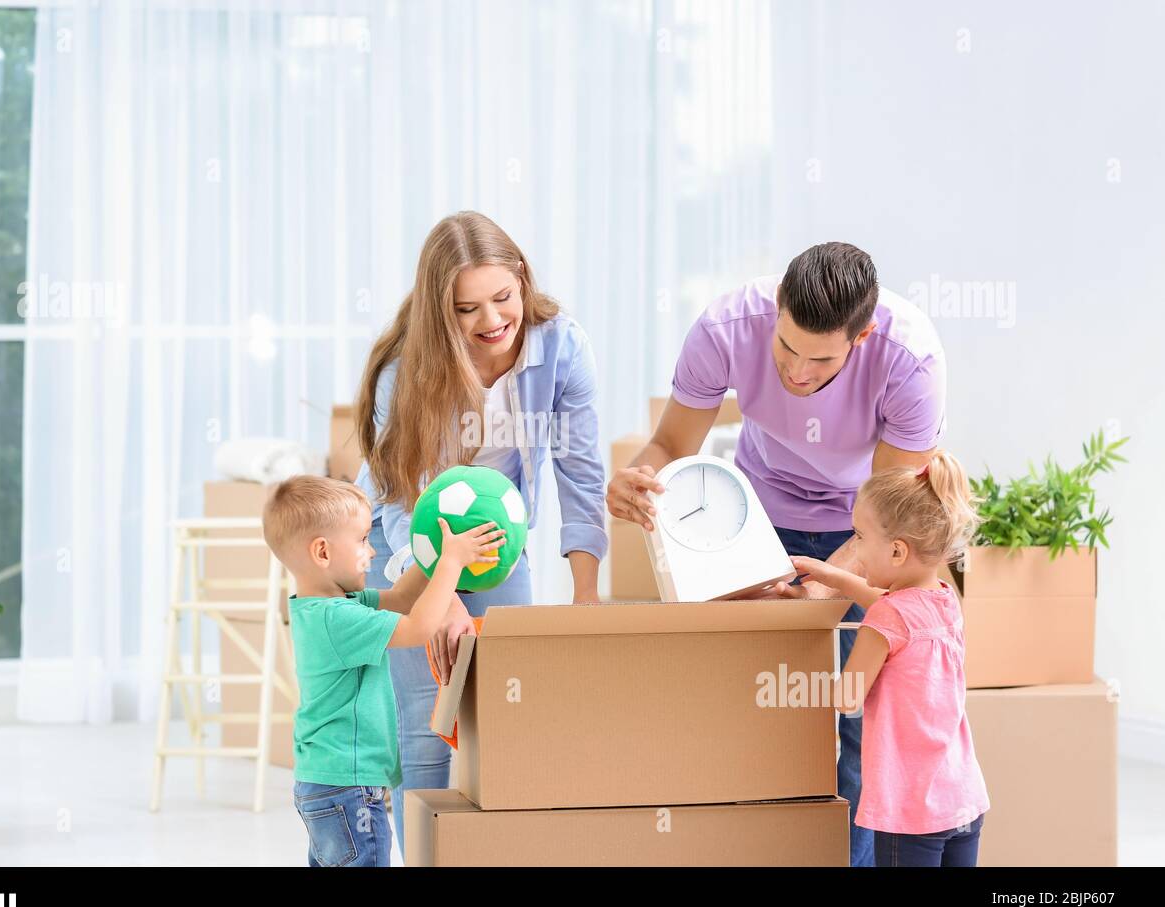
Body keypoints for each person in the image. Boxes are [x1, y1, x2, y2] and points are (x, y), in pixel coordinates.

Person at [607, 241, 947, 867]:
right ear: (777, 309)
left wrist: (826, 586)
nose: (796, 372)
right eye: (786, 347)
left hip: (865, 529)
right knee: (750, 709)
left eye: (820, 360)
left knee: (857, 722)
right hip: (757, 519)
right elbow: (671, 444)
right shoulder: (726, 327)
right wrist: (633, 477)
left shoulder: (911, 361)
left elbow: (890, 517)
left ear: (863, 336)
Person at [354, 211, 607, 853]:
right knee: (428, 725)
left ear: (521, 277)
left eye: (502, 298)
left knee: (503, 715)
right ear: (443, 311)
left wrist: (585, 597)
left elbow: (581, 471)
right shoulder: (404, 372)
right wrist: (440, 603)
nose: (492, 322)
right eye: (468, 309)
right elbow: (402, 504)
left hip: (498, 537)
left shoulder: (563, 347)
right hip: (409, 542)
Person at [262, 474, 505, 866]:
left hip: (325, 785)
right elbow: (419, 626)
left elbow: (406, 597)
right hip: (350, 790)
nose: (371, 552)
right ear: (322, 552)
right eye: (361, 541)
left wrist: (434, 552)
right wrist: (452, 563)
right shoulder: (339, 618)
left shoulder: (332, 605)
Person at [791, 449, 989, 866]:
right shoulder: (943, 599)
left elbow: (847, 697)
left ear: (898, 552)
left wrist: (792, 678)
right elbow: (894, 605)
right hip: (962, 799)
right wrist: (828, 575)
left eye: (860, 538)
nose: (856, 551)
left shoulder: (883, 619)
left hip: (911, 812)